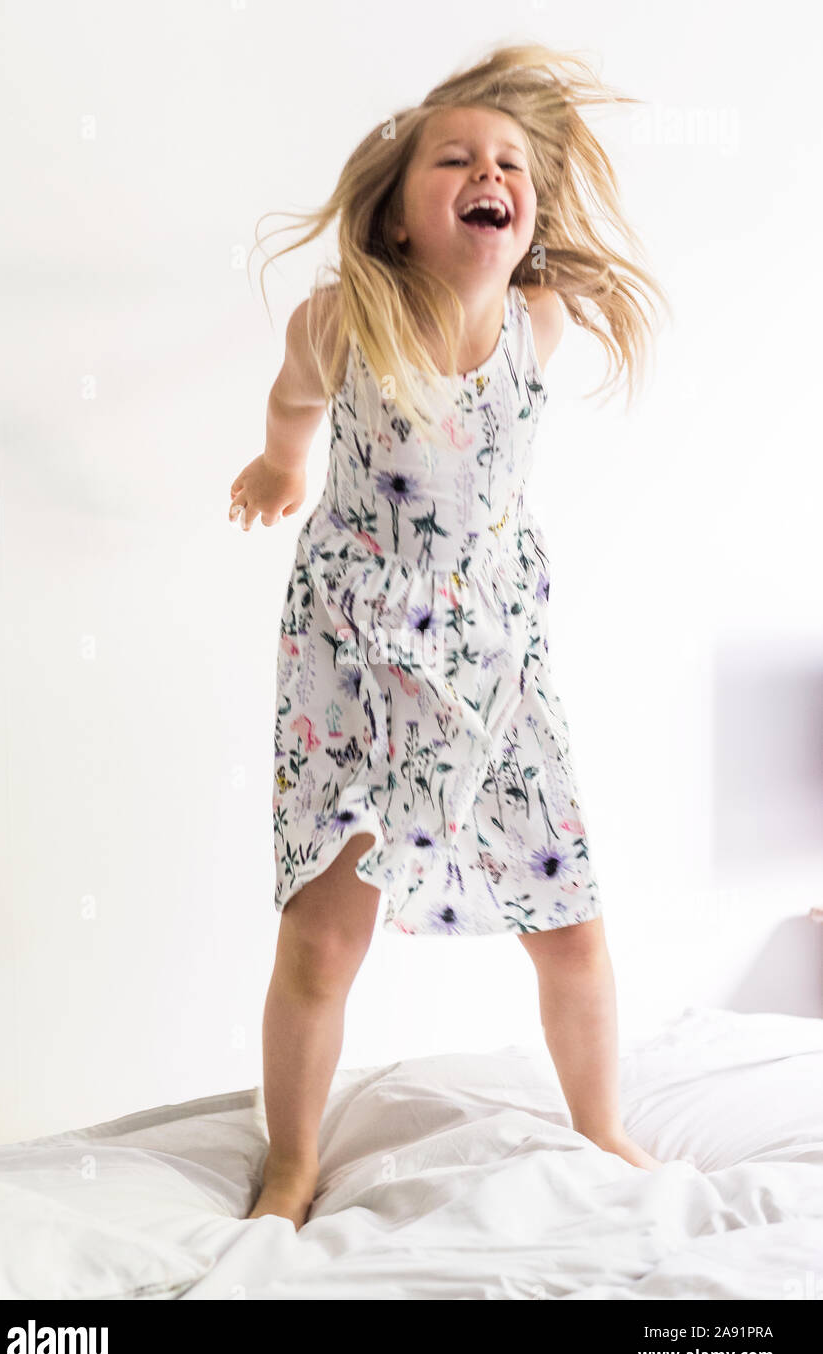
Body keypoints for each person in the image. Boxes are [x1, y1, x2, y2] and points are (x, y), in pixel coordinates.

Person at [229, 42, 671, 1229]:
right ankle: (289, 1164)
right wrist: (279, 464)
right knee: (322, 941)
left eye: (510, 163)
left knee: (570, 928)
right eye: (456, 158)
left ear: (524, 216)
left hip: (494, 667)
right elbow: (291, 402)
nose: (490, 172)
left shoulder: (543, 322)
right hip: (353, 654)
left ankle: (601, 1126)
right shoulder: (342, 321)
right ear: (397, 214)